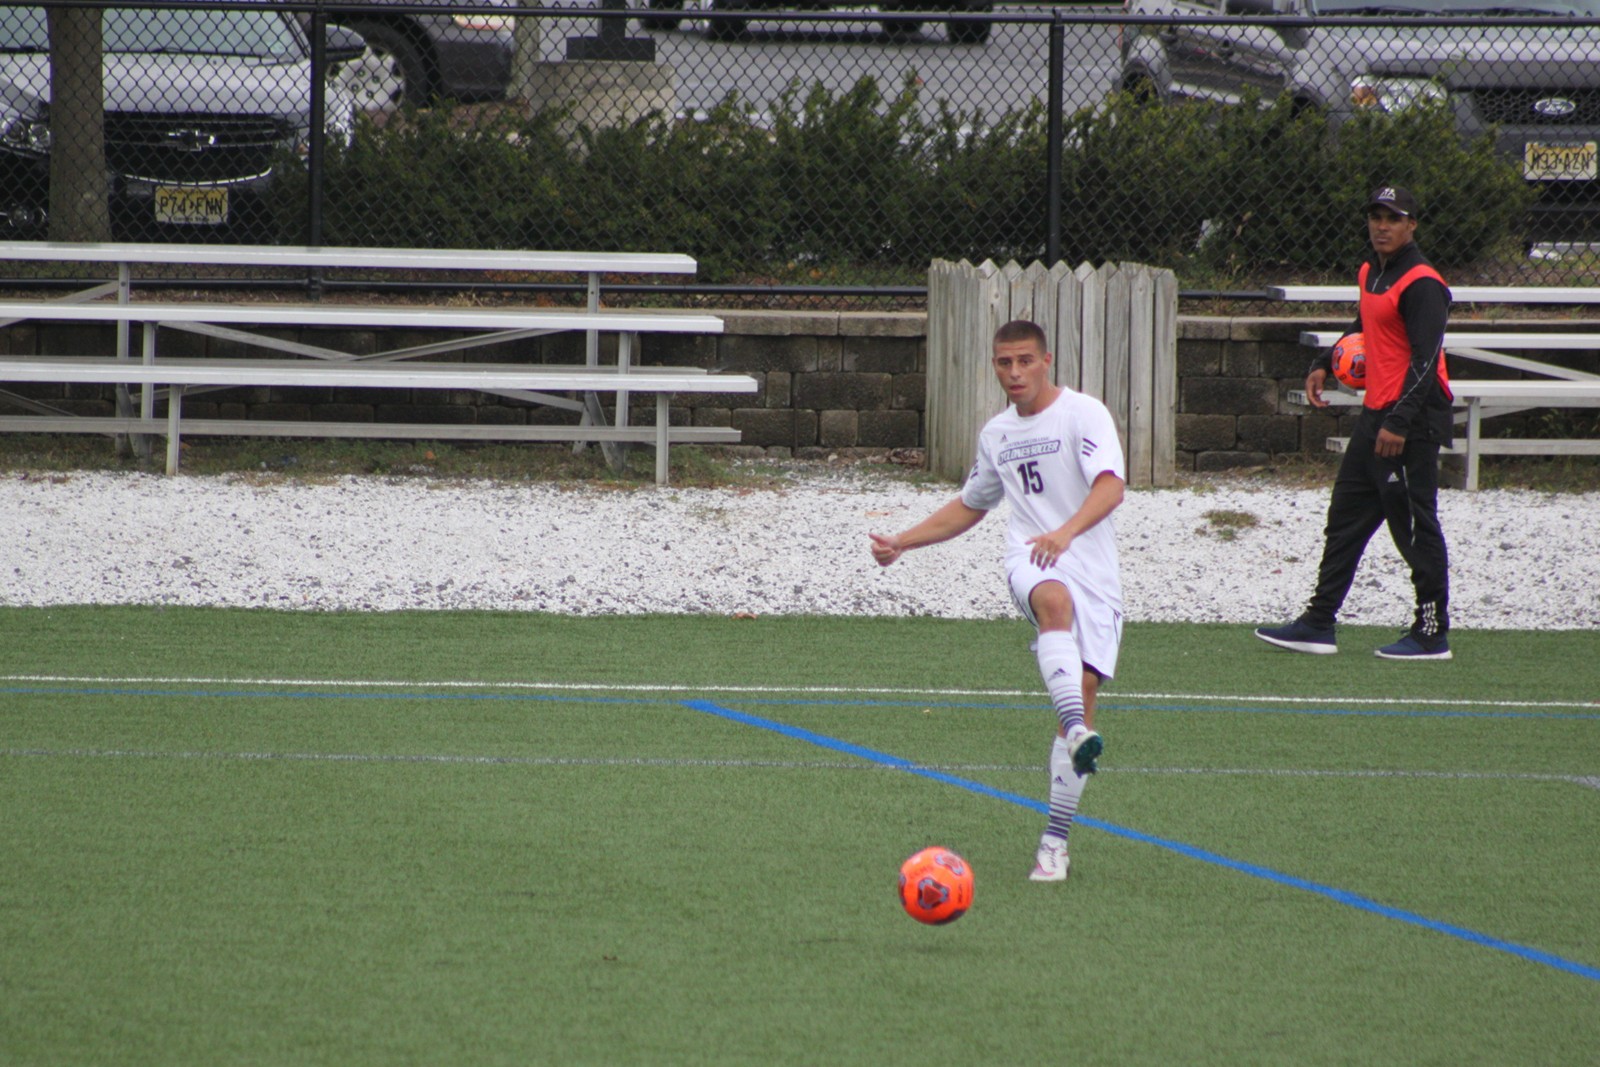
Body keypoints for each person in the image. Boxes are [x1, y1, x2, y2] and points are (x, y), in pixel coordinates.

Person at [869, 319, 1125, 882]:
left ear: (1046, 361)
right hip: (1030, 560)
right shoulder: (996, 435)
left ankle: (1054, 842)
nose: (1014, 373)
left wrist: (1068, 532)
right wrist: (902, 542)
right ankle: (1077, 730)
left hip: (1093, 569)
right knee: (1053, 605)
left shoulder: (1085, 414)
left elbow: (1112, 484)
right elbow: (971, 504)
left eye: (1024, 361)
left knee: (1084, 690)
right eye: (1004, 363)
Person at [1257, 185, 1455, 660]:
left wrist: (1400, 423)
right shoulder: (1372, 271)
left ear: (1412, 226)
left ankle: (1432, 633)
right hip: (1376, 416)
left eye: (1393, 217)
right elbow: (1364, 325)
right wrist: (1326, 360)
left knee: (1413, 526)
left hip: (1412, 421)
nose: (1382, 225)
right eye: (1375, 215)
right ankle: (1319, 623)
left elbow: (1426, 362)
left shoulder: (1424, 283)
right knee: (1345, 518)